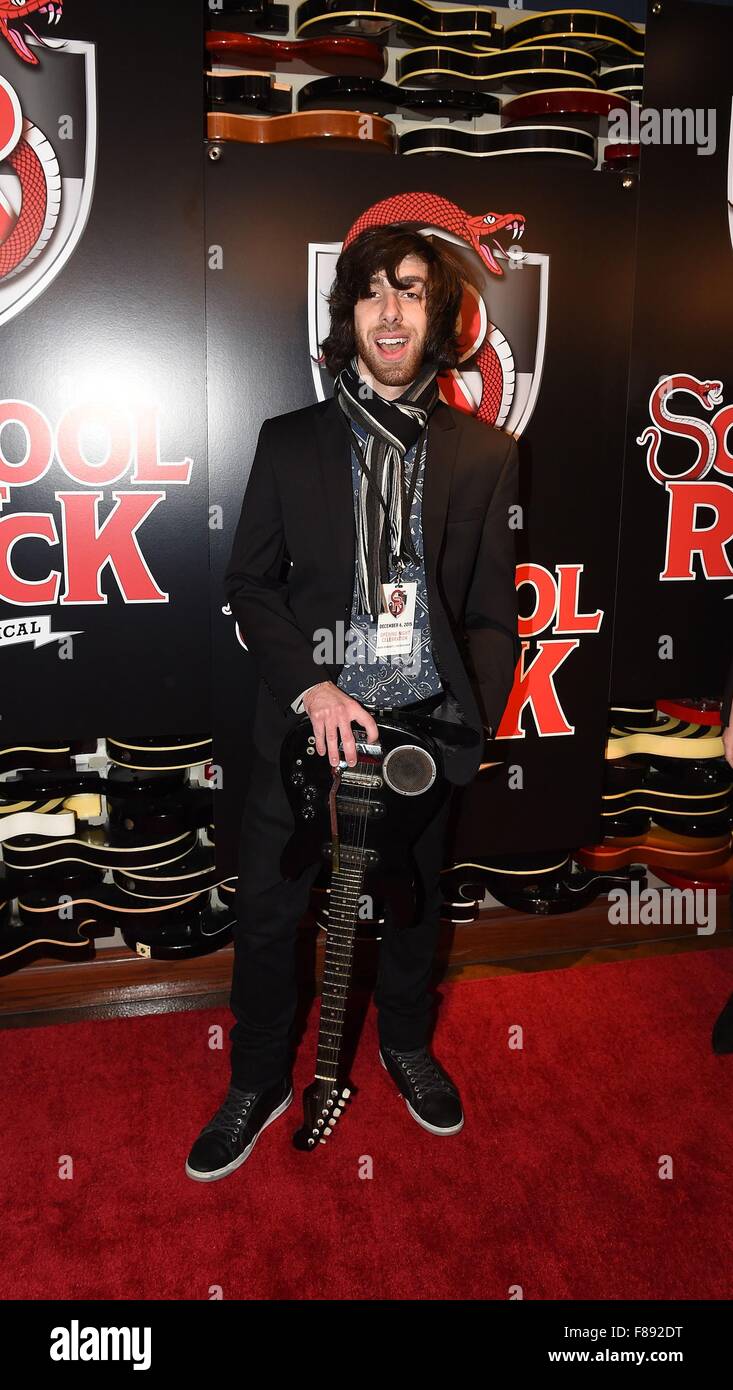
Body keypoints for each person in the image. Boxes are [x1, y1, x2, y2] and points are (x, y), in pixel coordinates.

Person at [186, 226, 521, 1182]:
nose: (391, 310)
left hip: (423, 732)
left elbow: (492, 609)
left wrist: (474, 717)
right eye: (372, 292)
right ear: (348, 316)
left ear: (439, 316)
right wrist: (312, 682)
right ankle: (257, 1080)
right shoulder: (288, 443)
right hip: (304, 731)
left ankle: (405, 1048)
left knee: (413, 912)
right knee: (267, 915)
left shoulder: (485, 454)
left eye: (412, 292)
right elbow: (250, 585)